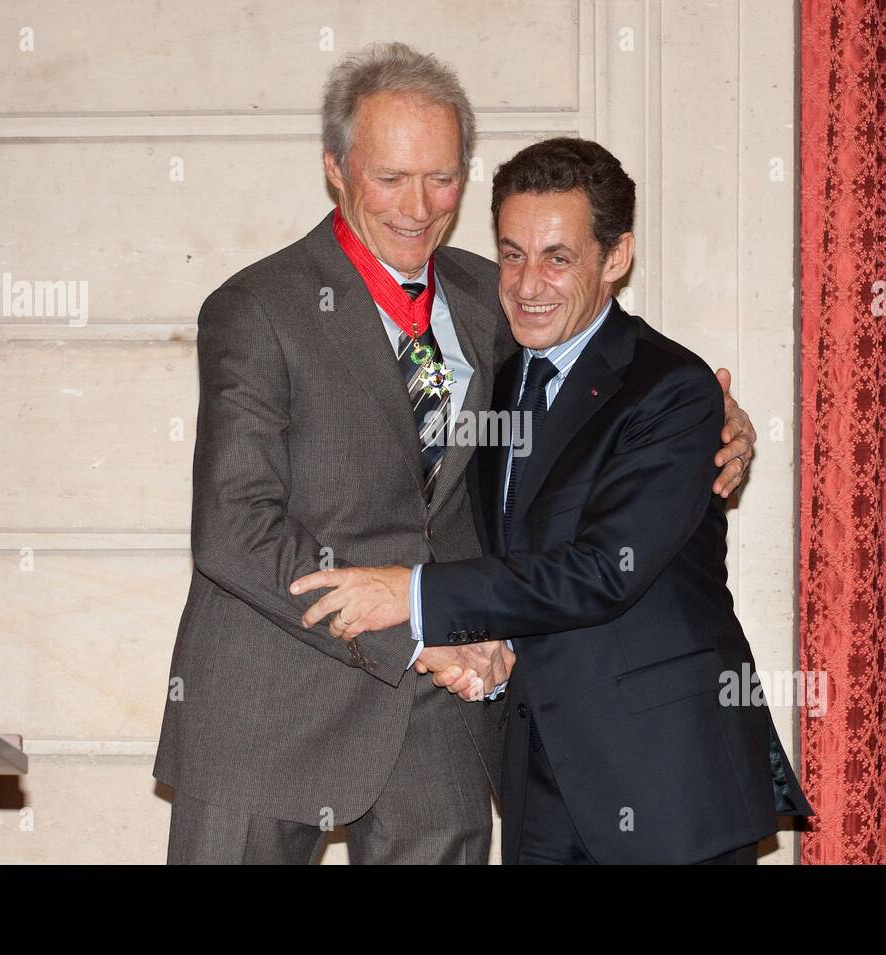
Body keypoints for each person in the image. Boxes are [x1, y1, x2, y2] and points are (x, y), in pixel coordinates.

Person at [154, 43, 760, 864]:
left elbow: (601, 381)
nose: (418, 206)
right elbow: (234, 527)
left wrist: (716, 417)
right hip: (270, 702)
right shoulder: (256, 309)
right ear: (336, 168)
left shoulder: (494, 295)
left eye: (441, 178)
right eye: (390, 177)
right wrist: (413, 630)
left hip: (437, 717)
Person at [291, 137, 811, 864]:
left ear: (617, 257)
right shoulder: (494, 376)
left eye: (558, 258)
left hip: (667, 781)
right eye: (511, 254)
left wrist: (408, 594)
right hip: (537, 777)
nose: (528, 283)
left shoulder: (671, 389)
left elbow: (603, 570)